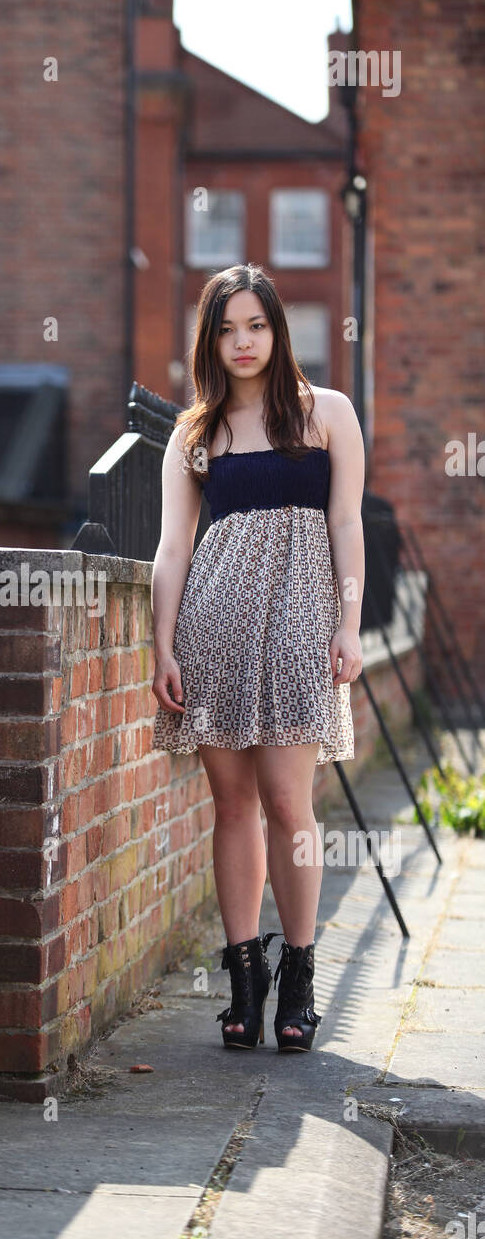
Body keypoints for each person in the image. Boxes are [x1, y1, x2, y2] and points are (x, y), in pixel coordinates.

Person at [151, 263, 364, 1053]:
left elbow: (348, 526)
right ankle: (245, 981)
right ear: (211, 340)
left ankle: (300, 976)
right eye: (226, 329)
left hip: (305, 626)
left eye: (256, 326)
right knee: (232, 805)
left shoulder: (329, 414)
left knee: (288, 801)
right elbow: (174, 547)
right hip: (217, 627)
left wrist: (350, 624)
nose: (242, 343)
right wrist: (161, 642)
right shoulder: (194, 431)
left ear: (279, 331)